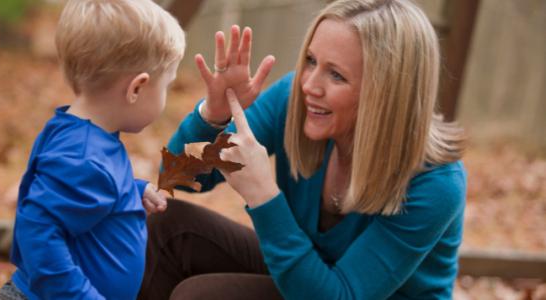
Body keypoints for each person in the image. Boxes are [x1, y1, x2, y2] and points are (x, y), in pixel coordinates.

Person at [138, 0, 466, 299]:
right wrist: (212, 115)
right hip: (308, 275)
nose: (309, 85)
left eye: (336, 75)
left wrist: (264, 197)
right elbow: (177, 178)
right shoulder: (296, 103)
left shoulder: (435, 183)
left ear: (386, 93)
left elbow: (341, 295)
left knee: (203, 296)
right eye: (311, 60)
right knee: (170, 228)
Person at [0, 0, 185, 299]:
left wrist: (132, 191)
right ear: (136, 88)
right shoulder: (84, 156)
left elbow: (78, 193)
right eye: (167, 86)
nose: (166, 97)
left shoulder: (85, 138)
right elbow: (38, 233)